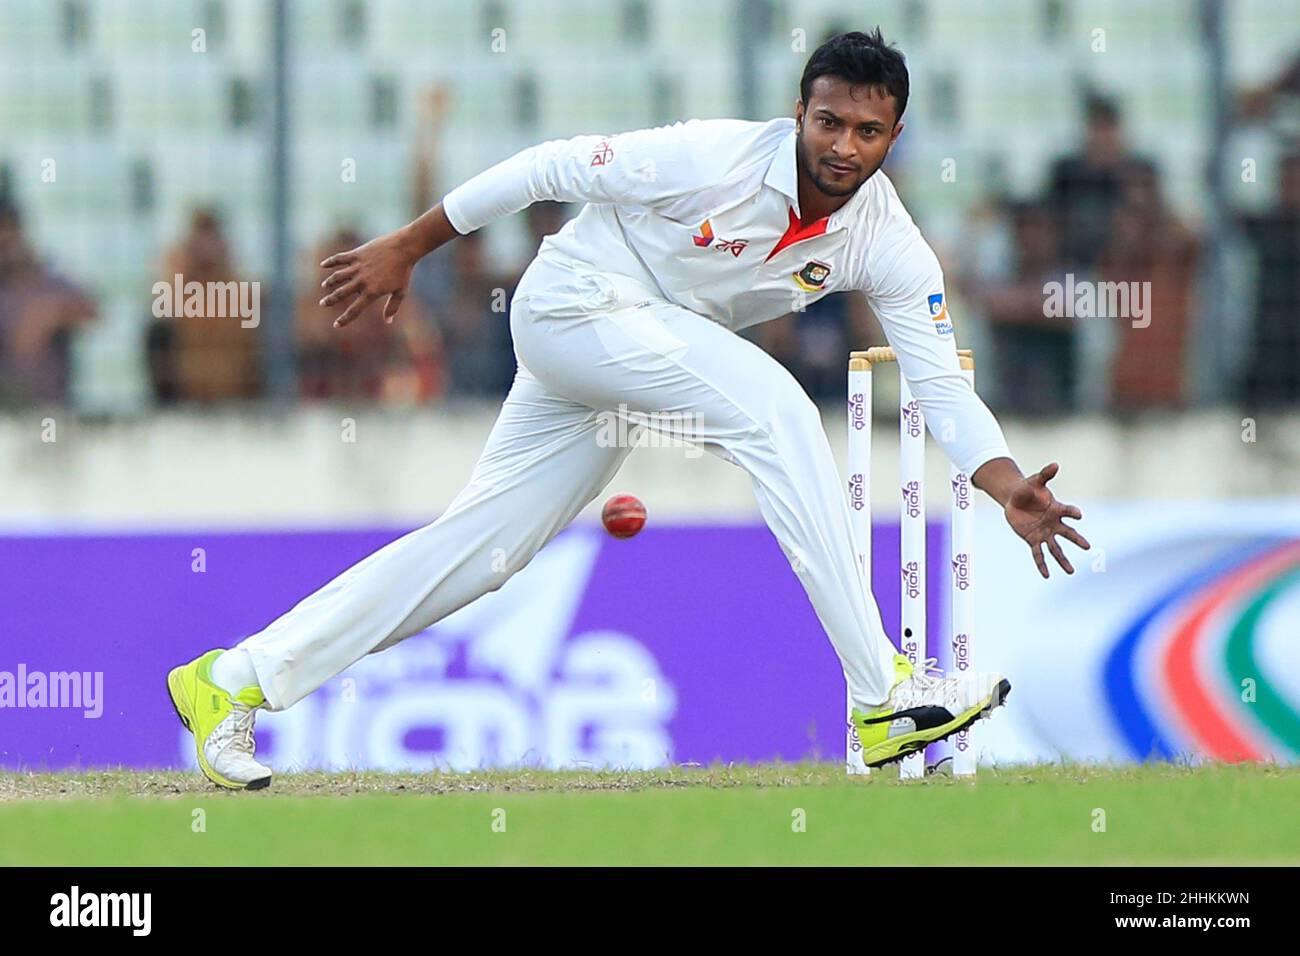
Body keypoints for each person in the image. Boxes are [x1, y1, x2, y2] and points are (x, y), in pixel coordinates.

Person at [167, 30, 1090, 789]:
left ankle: (232, 679)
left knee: (480, 556)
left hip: (628, 360)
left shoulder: (886, 239)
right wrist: (411, 246)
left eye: (869, 131)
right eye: (828, 122)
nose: (843, 146)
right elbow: (547, 167)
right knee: (777, 411)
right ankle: (881, 694)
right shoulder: (713, 158)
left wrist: (1004, 484)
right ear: (799, 114)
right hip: (573, 308)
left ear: (895, 137)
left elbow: (940, 386)